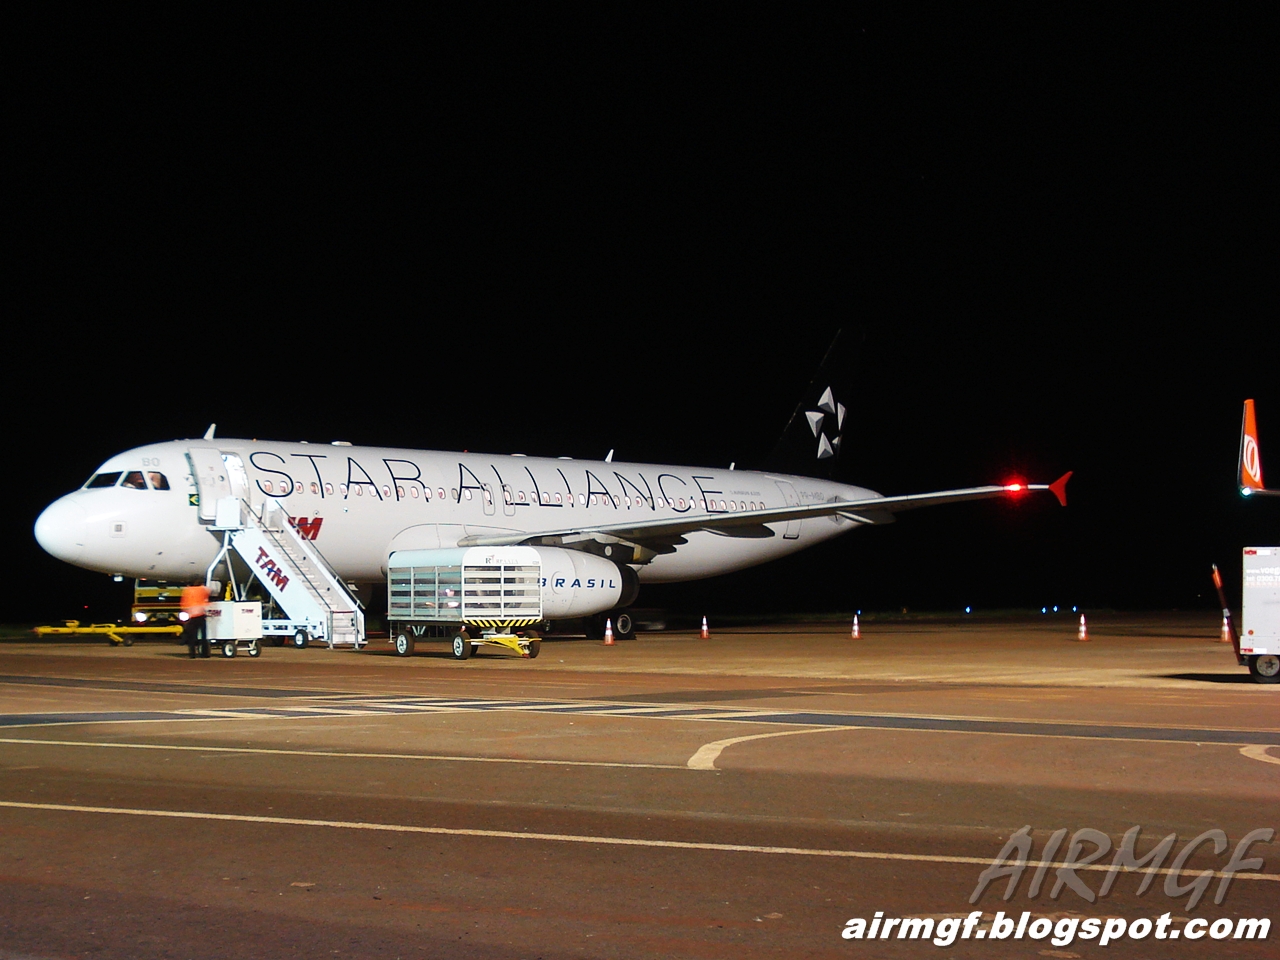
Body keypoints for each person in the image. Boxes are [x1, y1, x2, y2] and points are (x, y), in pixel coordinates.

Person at [181, 584, 211, 658]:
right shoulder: (203, 589)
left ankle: (192, 654)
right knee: (204, 636)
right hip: (202, 614)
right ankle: (205, 654)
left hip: (192, 616)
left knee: (192, 636)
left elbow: (184, 603)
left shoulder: (188, 590)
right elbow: (207, 598)